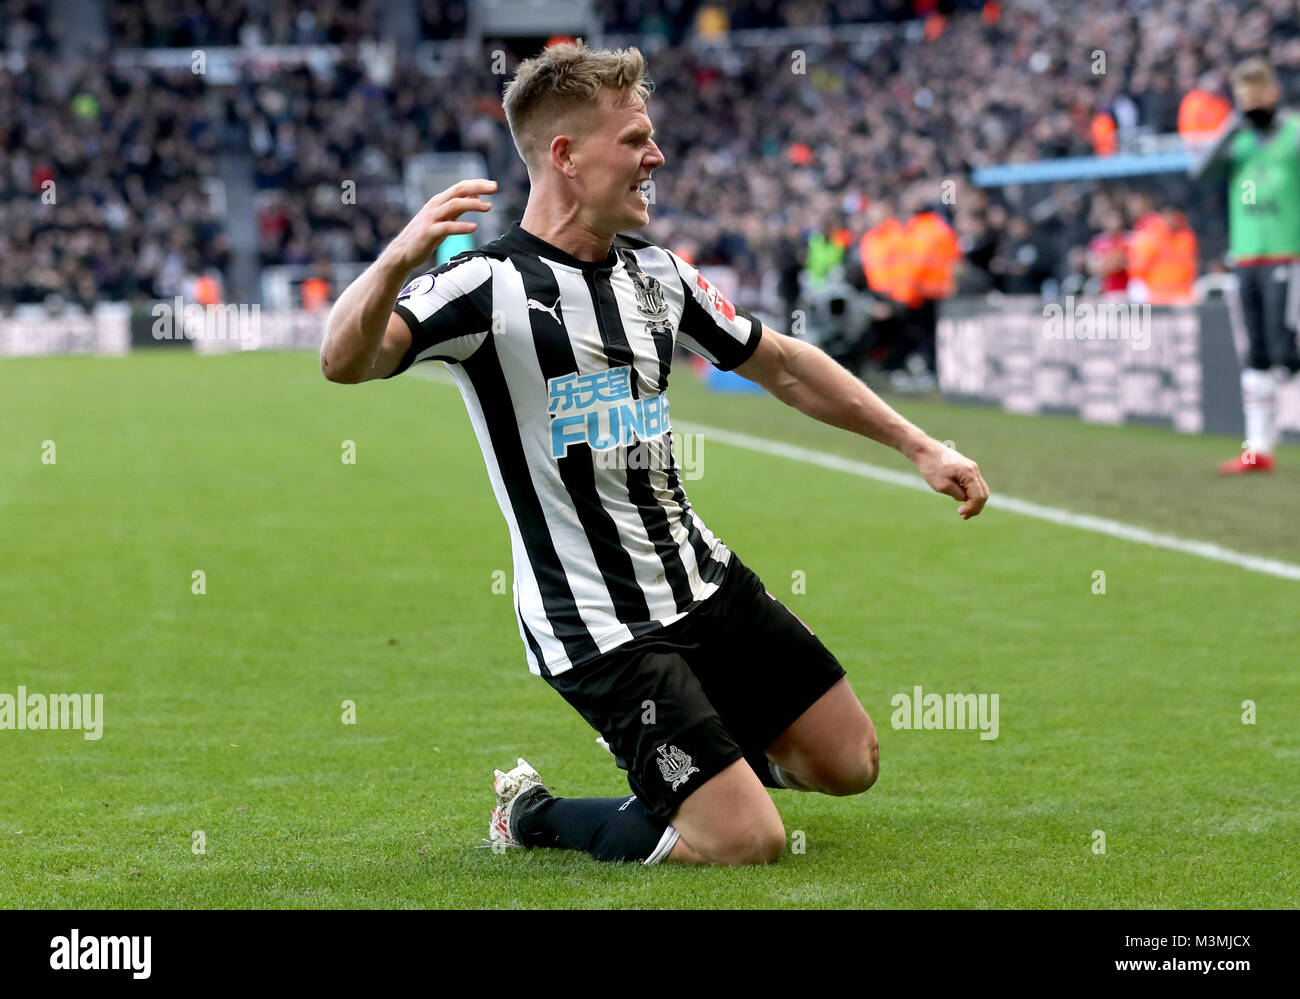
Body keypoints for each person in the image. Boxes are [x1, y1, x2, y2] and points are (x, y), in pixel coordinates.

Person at [319, 41, 989, 867]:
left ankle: (692, 768)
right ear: (566, 156)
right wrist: (394, 261)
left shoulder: (658, 274)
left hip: (702, 582)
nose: (656, 156)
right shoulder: (483, 287)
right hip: (598, 622)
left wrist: (917, 444)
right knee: (747, 840)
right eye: (634, 139)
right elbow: (345, 361)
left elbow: (779, 362)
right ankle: (533, 813)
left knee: (850, 764)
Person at [1190, 57, 1300, 473]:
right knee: (1256, 353)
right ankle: (1258, 450)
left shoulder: (1294, 134)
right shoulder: (1237, 141)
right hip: (1246, 258)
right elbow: (1198, 172)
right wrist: (1229, 126)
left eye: (1257, 96)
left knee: (1285, 351)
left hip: (1288, 256)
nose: (1252, 105)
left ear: (1274, 92)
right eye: (1243, 100)